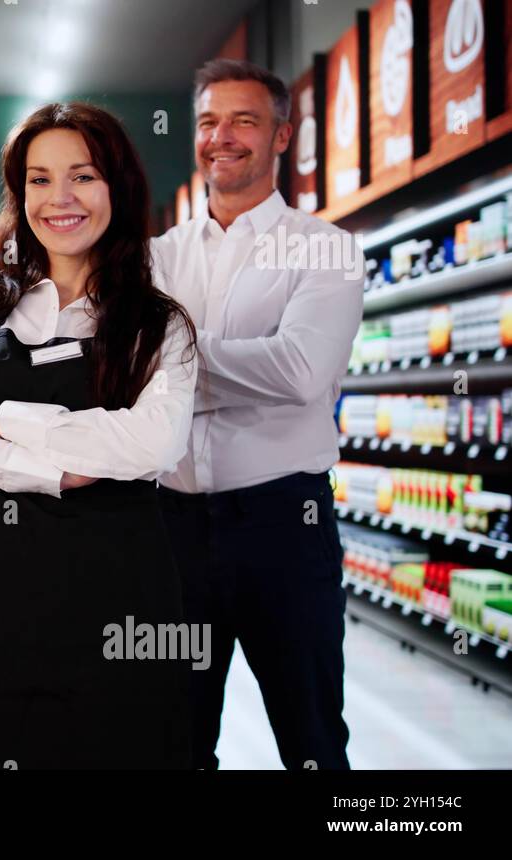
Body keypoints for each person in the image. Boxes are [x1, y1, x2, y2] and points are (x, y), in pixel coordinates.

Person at [0, 101, 198, 769]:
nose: (59, 198)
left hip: (128, 601)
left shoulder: (159, 323)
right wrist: (53, 471)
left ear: (118, 186)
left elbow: (152, 444)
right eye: (38, 179)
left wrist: (2, 419)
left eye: (83, 176)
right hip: (4, 603)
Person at [153, 59, 361, 770]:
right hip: (172, 532)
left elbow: (302, 373)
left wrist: (176, 365)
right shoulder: (155, 257)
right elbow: (122, 374)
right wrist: (235, 368)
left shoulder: (326, 249)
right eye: (209, 122)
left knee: (310, 739)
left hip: (284, 528)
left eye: (244, 120)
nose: (223, 137)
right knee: (173, 738)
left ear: (281, 136)